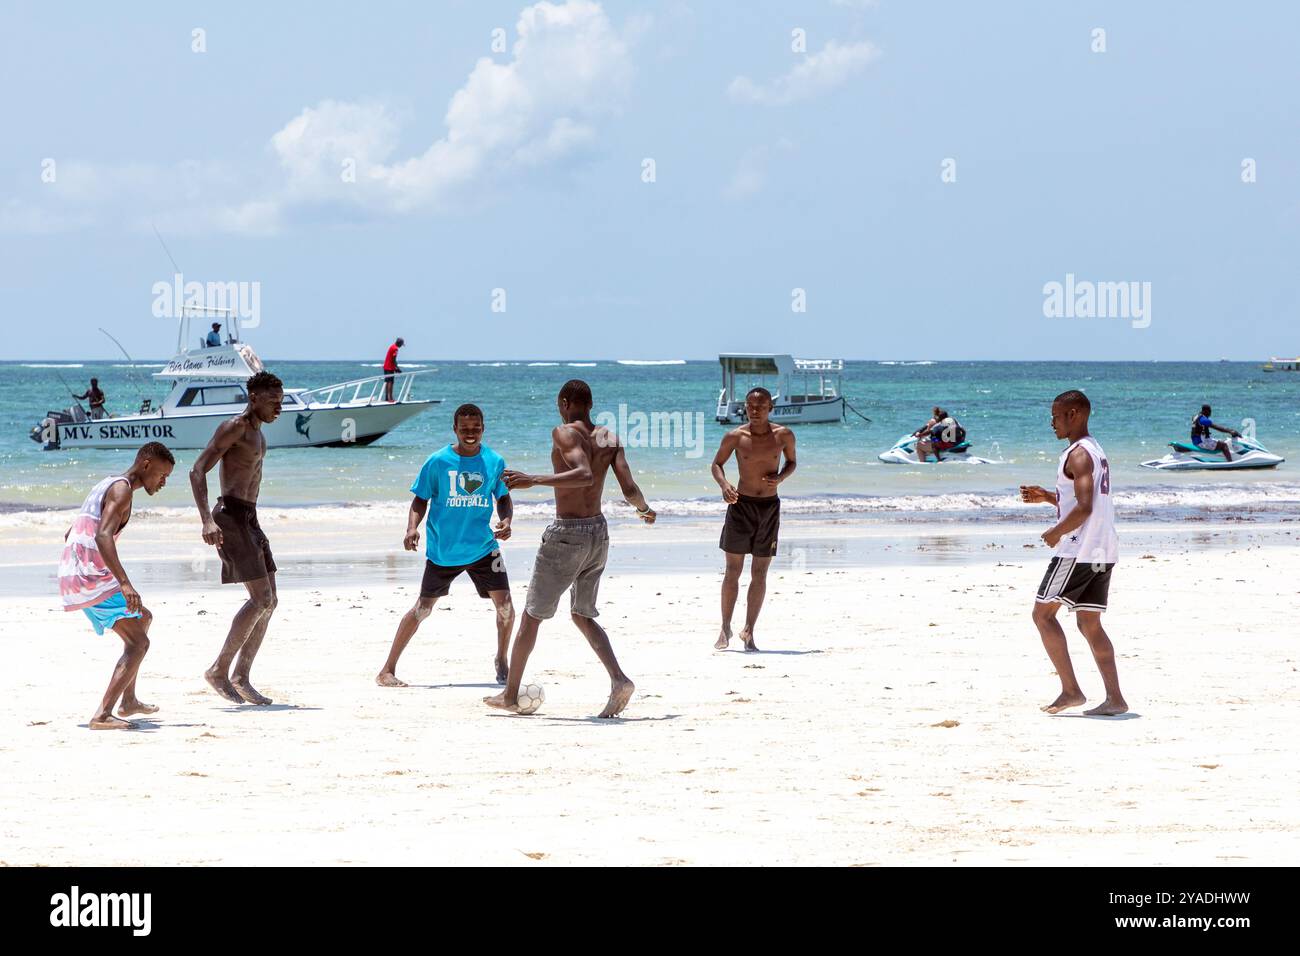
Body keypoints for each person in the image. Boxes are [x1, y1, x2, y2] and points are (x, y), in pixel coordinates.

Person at [486, 380, 655, 718]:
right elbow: (629, 487)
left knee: (532, 616)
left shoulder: (564, 432)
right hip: (597, 532)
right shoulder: (609, 437)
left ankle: (509, 695)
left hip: (567, 535)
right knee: (581, 613)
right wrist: (643, 510)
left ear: (565, 402)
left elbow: (583, 474)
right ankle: (619, 679)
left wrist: (533, 479)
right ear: (590, 404)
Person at [377, 403, 515, 687]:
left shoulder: (494, 461)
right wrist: (411, 528)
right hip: (443, 551)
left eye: (476, 428)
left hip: (484, 548)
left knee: (506, 608)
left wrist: (507, 520)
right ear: (454, 429)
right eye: (464, 429)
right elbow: (420, 499)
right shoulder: (438, 461)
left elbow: (502, 497)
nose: (470, 433)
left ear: (483, 429)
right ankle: (387, 669)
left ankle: (502, 659)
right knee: (423, 609)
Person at [1019, 389, 1128, 717]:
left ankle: (1070, 691)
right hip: (1103, 548)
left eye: (1055, 416)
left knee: (1043, 615)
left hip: (1078, 550)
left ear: (1074, 414)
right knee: (1089, 623)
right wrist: (1050, 497)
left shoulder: (1078, 454)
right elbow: (1083, 500)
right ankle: (1115, 699)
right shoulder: (1095, 450)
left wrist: (1055, 532)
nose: (1051, 423)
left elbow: (1084, 507)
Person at [58, 442, 175, 729]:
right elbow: (102, 536)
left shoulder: (108, 483)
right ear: (146, 464)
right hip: (89, 578)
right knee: (139, 643)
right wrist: (124, 583)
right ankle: (102, 715)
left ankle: (129, 700)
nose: (163, 482)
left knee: (143, 617)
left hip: (80, 573)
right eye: (162, 475)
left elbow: (70, 533)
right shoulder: (121, 491)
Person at [189, 370, 284, 706]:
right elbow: (197, 469)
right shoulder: (236, 427)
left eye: (282, 401)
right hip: (229, 516)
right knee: (259, 599)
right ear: (253, 398)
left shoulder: (260, 436)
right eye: (273, 401)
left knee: (270, 601)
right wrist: (205, 520)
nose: (279, 407)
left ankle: (241, 676)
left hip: (250, 517)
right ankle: (219, 670)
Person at [710, 386, 797, 651]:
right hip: (741, 505)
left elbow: (792, 462)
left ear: (771, 407)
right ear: (745, 407)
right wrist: (724, 486)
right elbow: (716, 464)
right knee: (733, 571)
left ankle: (749, 630)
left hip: (769, 507)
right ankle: (725, 627)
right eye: (750, 405)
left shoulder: (784, 435)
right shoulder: (735, 436)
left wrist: (781, 477)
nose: (755, 410)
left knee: (760, 572)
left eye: (761, 406)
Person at [383, 337, 404, 402]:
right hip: (389, 367)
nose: (401, 346)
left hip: (386, 367)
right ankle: (390, 398)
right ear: (399, 343)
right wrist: (397, 368)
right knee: (390, 382)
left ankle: (387, 397)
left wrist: (396, 368)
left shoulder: (392, 346)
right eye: (401, 344)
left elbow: (393, 359)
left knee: (387, 382)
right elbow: (394, 359)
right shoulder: (395, 348)